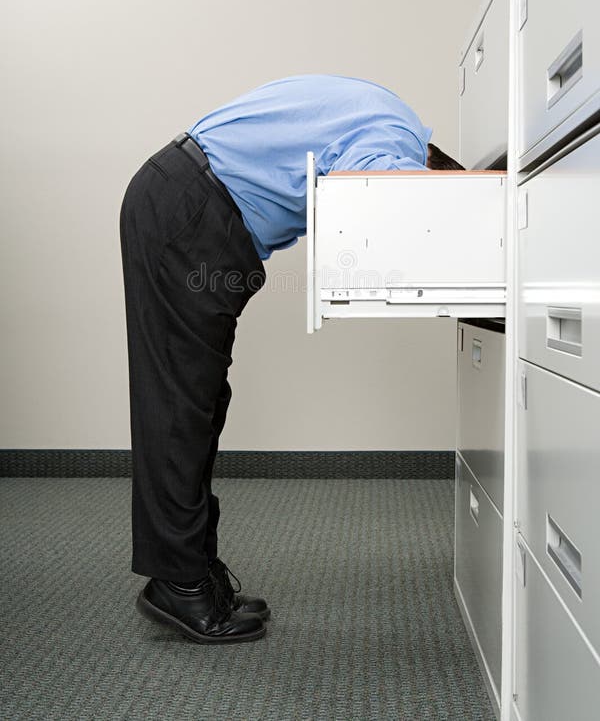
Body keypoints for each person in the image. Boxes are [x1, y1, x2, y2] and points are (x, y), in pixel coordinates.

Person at [119, 74, 463, 645]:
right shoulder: (398, 138)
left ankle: (193, 572)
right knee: (181, 403)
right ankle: (177, 584)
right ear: (435, 171)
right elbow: (385, 194)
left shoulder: (385, 113)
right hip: (192, 210)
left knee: (198, 401)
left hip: (196, 207)